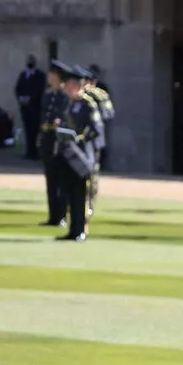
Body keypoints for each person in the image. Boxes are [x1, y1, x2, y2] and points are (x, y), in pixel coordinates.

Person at [53, 67, 103, 242]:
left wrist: (79, 138)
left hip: (83, 154)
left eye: (68, 85)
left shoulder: (88, 104)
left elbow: (96, 130)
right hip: (69, 154)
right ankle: (72, 229)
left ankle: (81, 229)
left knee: (81, 194)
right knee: (70, 192)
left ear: (75, 86)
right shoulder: (69, 103)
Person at [40, 60, 72, 227]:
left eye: (52, 75)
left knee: (61, 179)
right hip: (47, 138)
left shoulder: (64, 96)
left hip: (58, 140)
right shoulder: (48, 94)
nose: (50, 78)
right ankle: (53, 215)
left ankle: (61, 215)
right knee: (50, 179)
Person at [81, 68, 114, 215]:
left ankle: (90, 203)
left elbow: (109, 113)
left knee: (92, 174)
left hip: (94, 140)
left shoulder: (99, 94)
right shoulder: (78, 95)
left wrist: (95, 116)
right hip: (79, 139)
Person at [16, 55, 47, 162]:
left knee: (36, 131)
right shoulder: (23, 75)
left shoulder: (40, 75)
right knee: (28, 130)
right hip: (25, 109)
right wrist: (21, 98)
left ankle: (35, 152)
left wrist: (31, 99)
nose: (29, 62)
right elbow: (18, 88)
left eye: (31, 61)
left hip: (35, 108)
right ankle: (29, 151)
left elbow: (40, 90)